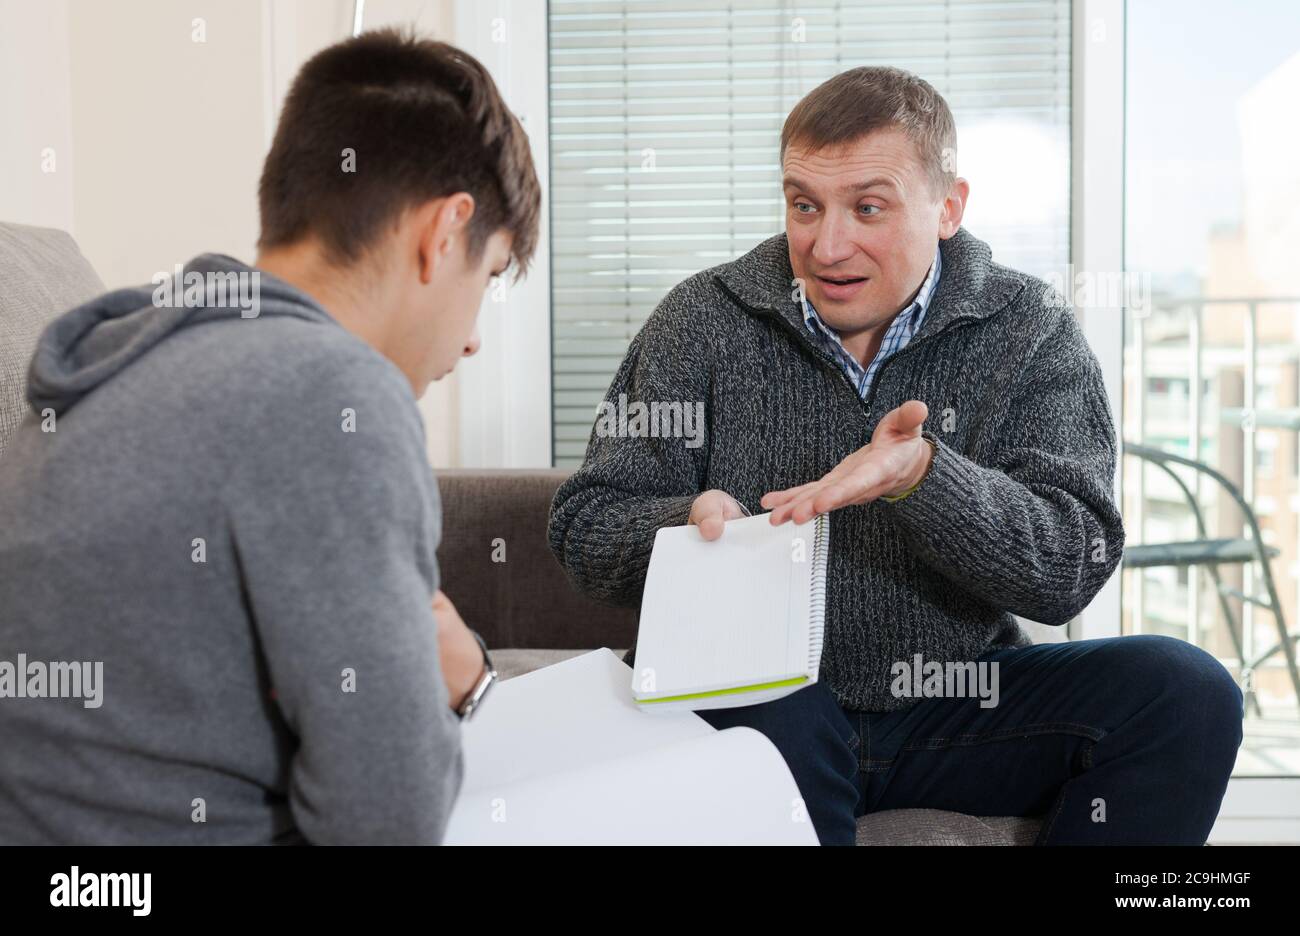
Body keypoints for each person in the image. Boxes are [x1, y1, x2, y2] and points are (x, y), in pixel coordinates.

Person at [549, 66, 1243, 845]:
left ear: (948, 208)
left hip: (957, 705)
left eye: (867, 208)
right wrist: (685, 523)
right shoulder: (699, 322)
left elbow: (1070, 564)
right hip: (758, 699)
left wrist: (924, 479)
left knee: (1187, 692)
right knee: (777, 706)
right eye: (804, 205)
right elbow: (585, 528)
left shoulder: (1029, 329)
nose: (824, 243)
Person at [0, 28, 540, 844]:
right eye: (489, 276)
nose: (470, 341)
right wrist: (465, 684)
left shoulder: (125, 360)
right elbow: (386, 822)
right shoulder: (330, 393)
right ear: (444, 232)